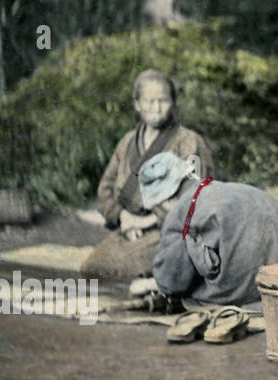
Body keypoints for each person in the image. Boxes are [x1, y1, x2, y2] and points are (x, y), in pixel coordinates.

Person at [139, 152, 278, 343]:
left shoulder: (181, 210)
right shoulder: (228, 189)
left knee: (196, 298)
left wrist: (148, 284)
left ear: (165, 201)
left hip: (277, 280)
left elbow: (171, 282)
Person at [85, 69, 213, 279]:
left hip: (169, 231)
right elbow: (105, 188)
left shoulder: (188, 141)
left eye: (163, 101)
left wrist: (146, 222)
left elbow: (195, 199)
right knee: (93, 266)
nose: (156, 108)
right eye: (149, 101)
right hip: (129, 228)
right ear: (137, 104)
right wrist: (123, 218)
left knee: (129, 270)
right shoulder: (128, 142)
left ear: (172, 103)